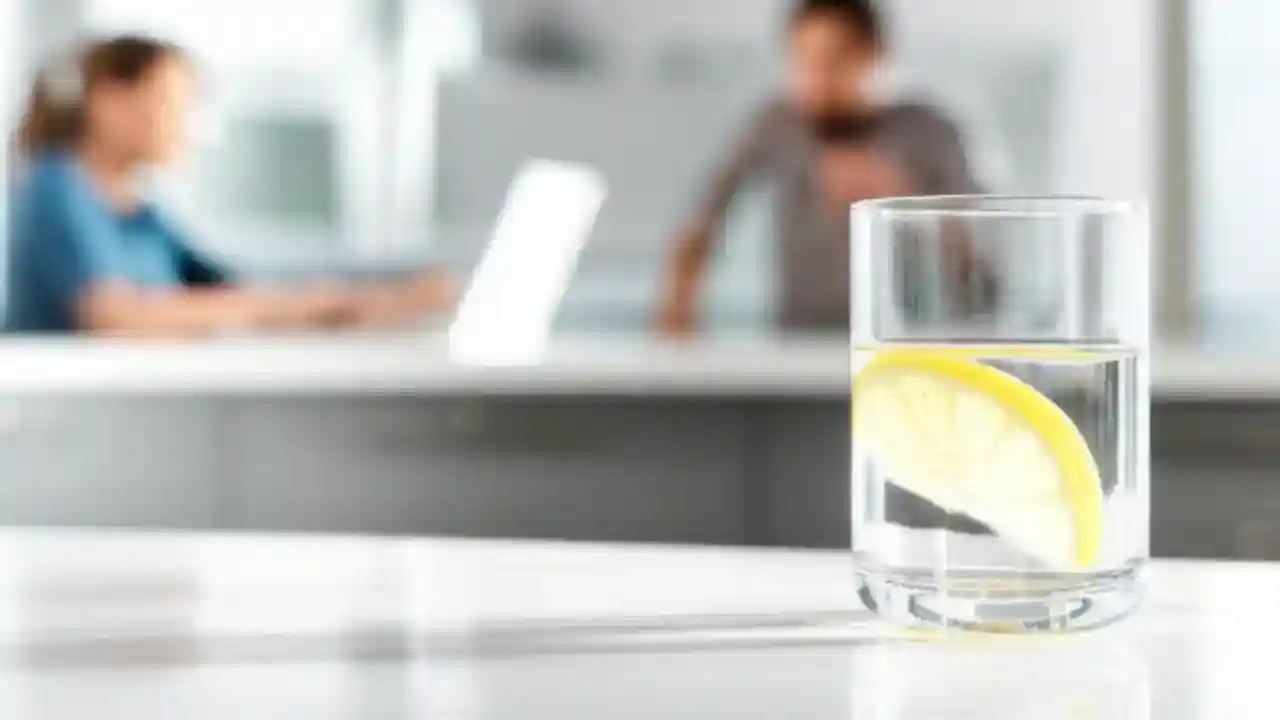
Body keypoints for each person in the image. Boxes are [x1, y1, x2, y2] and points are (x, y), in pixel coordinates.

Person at [8, 36, 454, 335]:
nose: (186, 123)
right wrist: (284, 309)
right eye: (171, 101)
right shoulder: (55, 189)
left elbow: (228, 288)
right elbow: (116, 315)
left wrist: (365, 302)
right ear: (107, 101)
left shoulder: (140, 213)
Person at [658, 0, 982, 335]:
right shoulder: (777, 124)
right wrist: (678, 305)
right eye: (803, 60)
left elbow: (982, 274)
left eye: (834, 59)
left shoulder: (930, 131)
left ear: (877, 53)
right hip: (797, 341)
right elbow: (704, 218)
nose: (817, 79)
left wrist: (901, 200)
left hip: (903, 344)